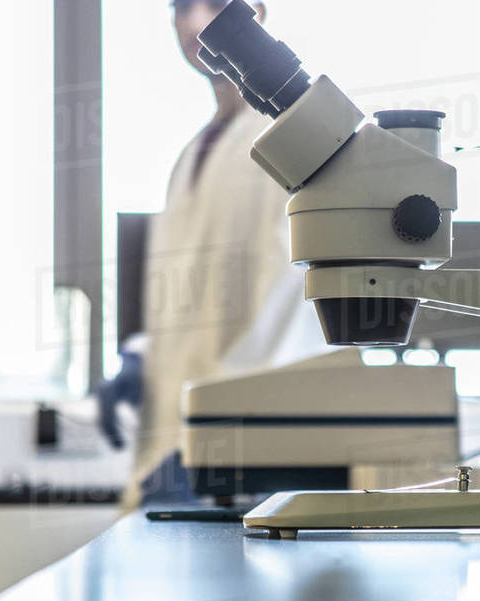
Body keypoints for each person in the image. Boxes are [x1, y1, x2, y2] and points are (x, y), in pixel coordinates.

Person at [118, 0, 327, 507]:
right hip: (178, 440)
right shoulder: (190, 155)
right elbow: (190, 300)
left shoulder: (289, 136)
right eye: (181, 7)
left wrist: (220, 413)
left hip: (254, 442)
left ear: (255, 10)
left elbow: (290, 289)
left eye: (213, 2)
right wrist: (140, 358)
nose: (194, 21)